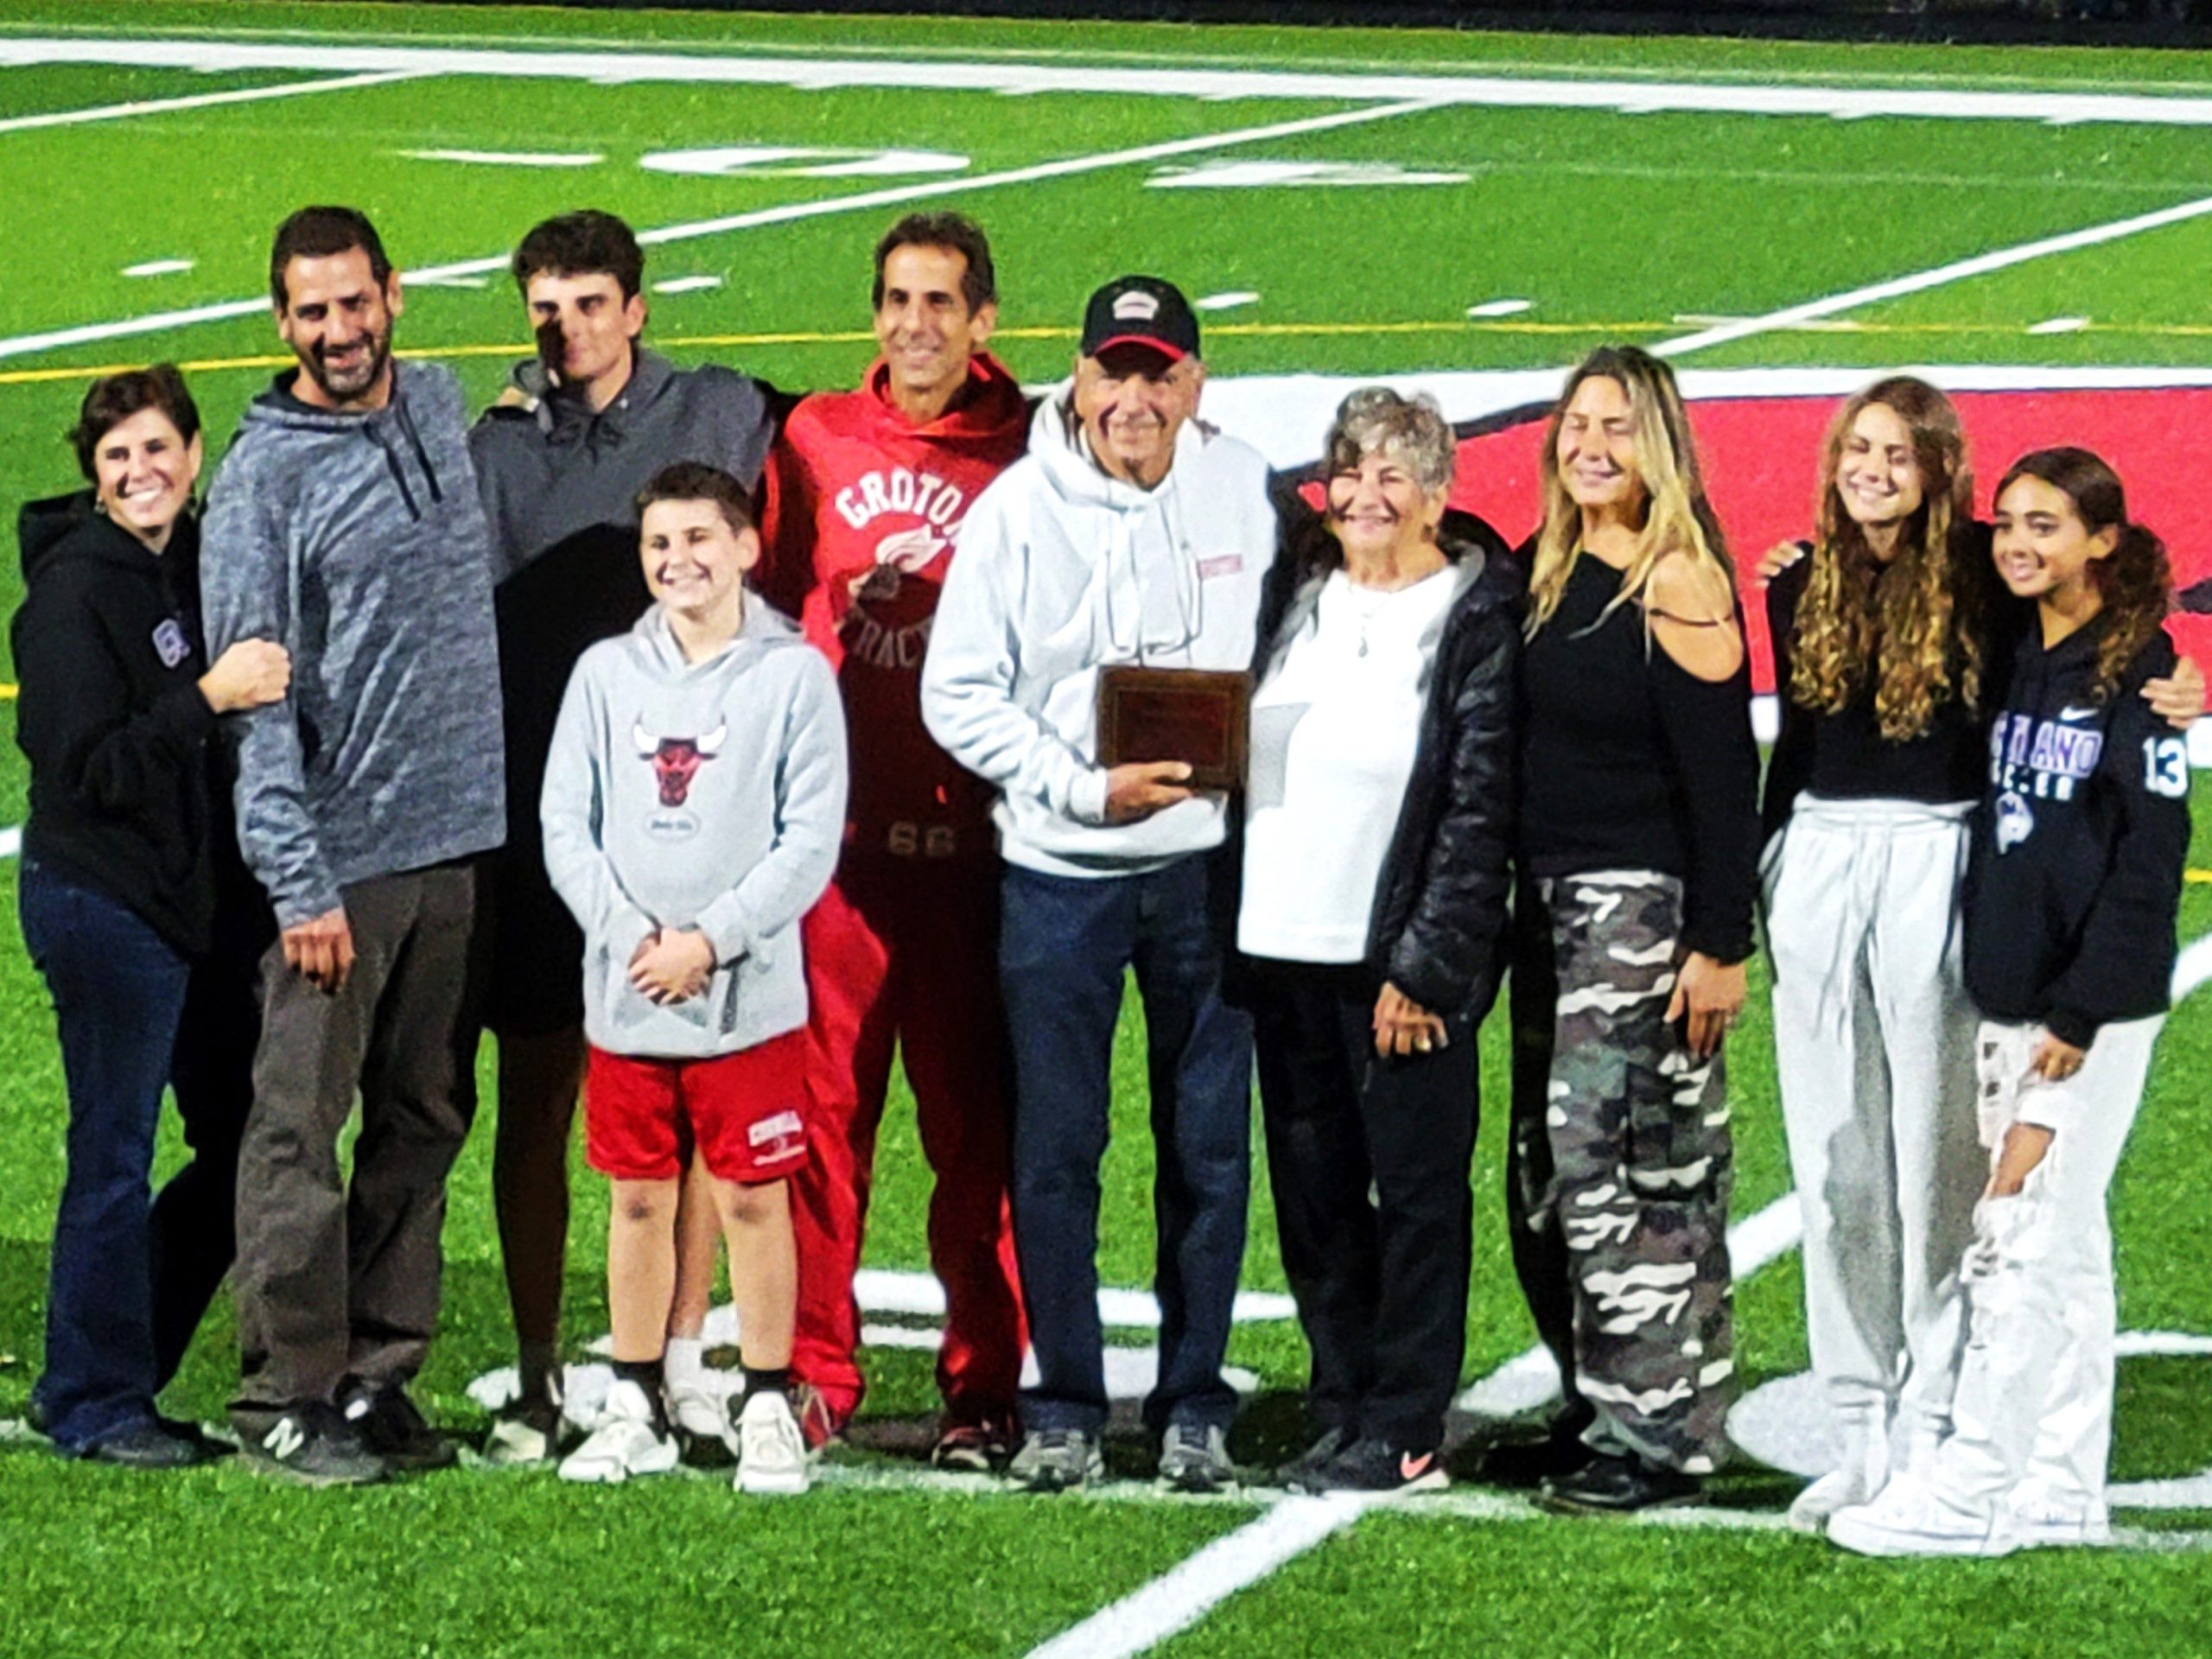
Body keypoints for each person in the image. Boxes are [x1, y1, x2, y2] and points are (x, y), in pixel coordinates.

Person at [1757, 385, 2203, 1531]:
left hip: (1955, 888)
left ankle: (1947, 1442)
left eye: (1898, 453)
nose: (1873, 470)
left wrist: (2180, 680)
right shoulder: (1803, 577)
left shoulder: (1990, 580)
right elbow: (1797, 747)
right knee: (1843, 1173)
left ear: (1939, 467)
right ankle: (1883, 1436)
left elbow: (2122, 679)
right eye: (1856, 448)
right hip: (1823, 866)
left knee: (1961, 1185)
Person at [923, 276, 1274, 1493]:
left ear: (1195, 380)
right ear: (1076, 380)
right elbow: (955, 693)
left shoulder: (1244, 486)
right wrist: (1081, 790)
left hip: (1203, 873)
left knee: (1210, 1151)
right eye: (1112, 372)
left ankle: (1194, 1402)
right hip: (1060, 875)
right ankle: (1065, 1399)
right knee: (1058, 1148)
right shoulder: (1018, 511)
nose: (1135, 398)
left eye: (1157, 372)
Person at [468, 209, 785, 1465]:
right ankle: (546, 1368)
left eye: (591, 302)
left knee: (696, 1097)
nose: (568, 327)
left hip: (694, 815)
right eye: (545, 305)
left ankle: (685, 1358)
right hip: (544, 815)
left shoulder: (719, 408)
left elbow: (836, 428)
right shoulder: (493, 449)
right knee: (540, 1092)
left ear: (637, 307)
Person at [201, 206, 506, 1485]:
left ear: (395, 293)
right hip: (340, 862)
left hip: (456, 844)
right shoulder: (259, 478)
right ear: (283, 322)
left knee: (424, 1118)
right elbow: (256, 693)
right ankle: (284, 1387)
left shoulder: (438, 404)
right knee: (298, 1130)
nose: (337, 330)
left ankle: (381, 1371)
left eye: (354, 303)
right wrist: (296, 877)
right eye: (310, 311)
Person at [758, 211, 1028, 1465]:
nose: (914, 325)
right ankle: (819, 1374)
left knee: (979, 1142)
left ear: (983, 322)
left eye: (940, 303)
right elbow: (750, 608)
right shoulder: (814, 438)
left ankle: (985, 1388)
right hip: (843, 853)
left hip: (978, 855)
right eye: (896, 300)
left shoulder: (1032, 447)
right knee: (823, 1129)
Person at [540, 462, 845, 1493]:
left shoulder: (793, 674)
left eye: (700, 540)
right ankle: (635, 1397)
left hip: (746, 1000)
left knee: (755, 1200)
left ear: (749, 547)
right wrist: (632, 937)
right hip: (628, 998)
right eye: (659, 544)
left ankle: (765, 1399)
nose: (679, 562)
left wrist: (709, 941)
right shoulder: (603, 674)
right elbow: (563, 827)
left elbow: (807, 841)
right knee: (635, 1200)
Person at [1238, 388, 1517, 1494]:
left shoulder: (1469, 614)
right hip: (1278, 944)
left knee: (1411, 1197)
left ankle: (1407, 1419)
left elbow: (1478, 806)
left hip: (1393, 962)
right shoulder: (1297, 598)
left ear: (1439, 494)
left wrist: (1428, 966)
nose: (1366, 493)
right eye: (1350, 470)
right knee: (1312, 1196)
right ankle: (1342, 1396)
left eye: (1394, 474)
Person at [13, 366, 287, 1466]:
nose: (140, 472)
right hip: (104, 904)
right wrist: (208, 700)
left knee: (245, 1144)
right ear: (93, 471)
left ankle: (125, 1366)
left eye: (157, 449)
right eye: (118, 456)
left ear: (194, 450)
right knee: (112, 1153)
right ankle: (90, 1397)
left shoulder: (188, 560)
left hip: (188, 907)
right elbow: (89, 769)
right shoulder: (75, 594)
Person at [1507, 345, 1758, 1513]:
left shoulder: (1679, 578)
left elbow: (1721, 780)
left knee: (1625, 1166)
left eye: (1617, 427)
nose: (1590, 446)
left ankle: (1656, 1437)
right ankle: (1610, 1403)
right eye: (1577, 424)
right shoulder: (1551, 565)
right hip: (1551, 912)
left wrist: (1718, 944)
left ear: (1657, 443)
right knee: (1560, 1171)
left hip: (1639, 918)